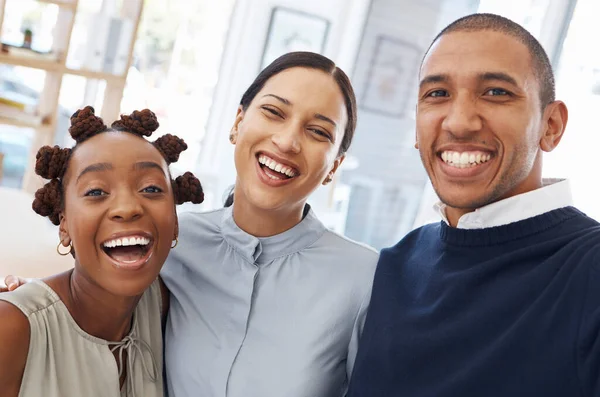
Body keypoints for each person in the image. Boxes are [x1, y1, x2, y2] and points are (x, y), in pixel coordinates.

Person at [3, 52, 378, 397]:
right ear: (237, 123)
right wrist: (29, 303)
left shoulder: (366, 281)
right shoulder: (173, 243)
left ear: (335, 166)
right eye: (275, 112)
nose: (287, 140)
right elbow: (94, 285)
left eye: (318, 132)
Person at [347, 13, 600, 397]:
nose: (460, 122)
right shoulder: (394, 266)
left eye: (496, 92)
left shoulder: (590, 268)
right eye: (437, 94)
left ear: (551, 126)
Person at [0, 106, 203, 397]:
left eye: (150, 189)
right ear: (64, 224)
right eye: (96, 192)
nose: (127, 208)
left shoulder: (166, 306)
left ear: (174, 221)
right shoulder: (11, 329)